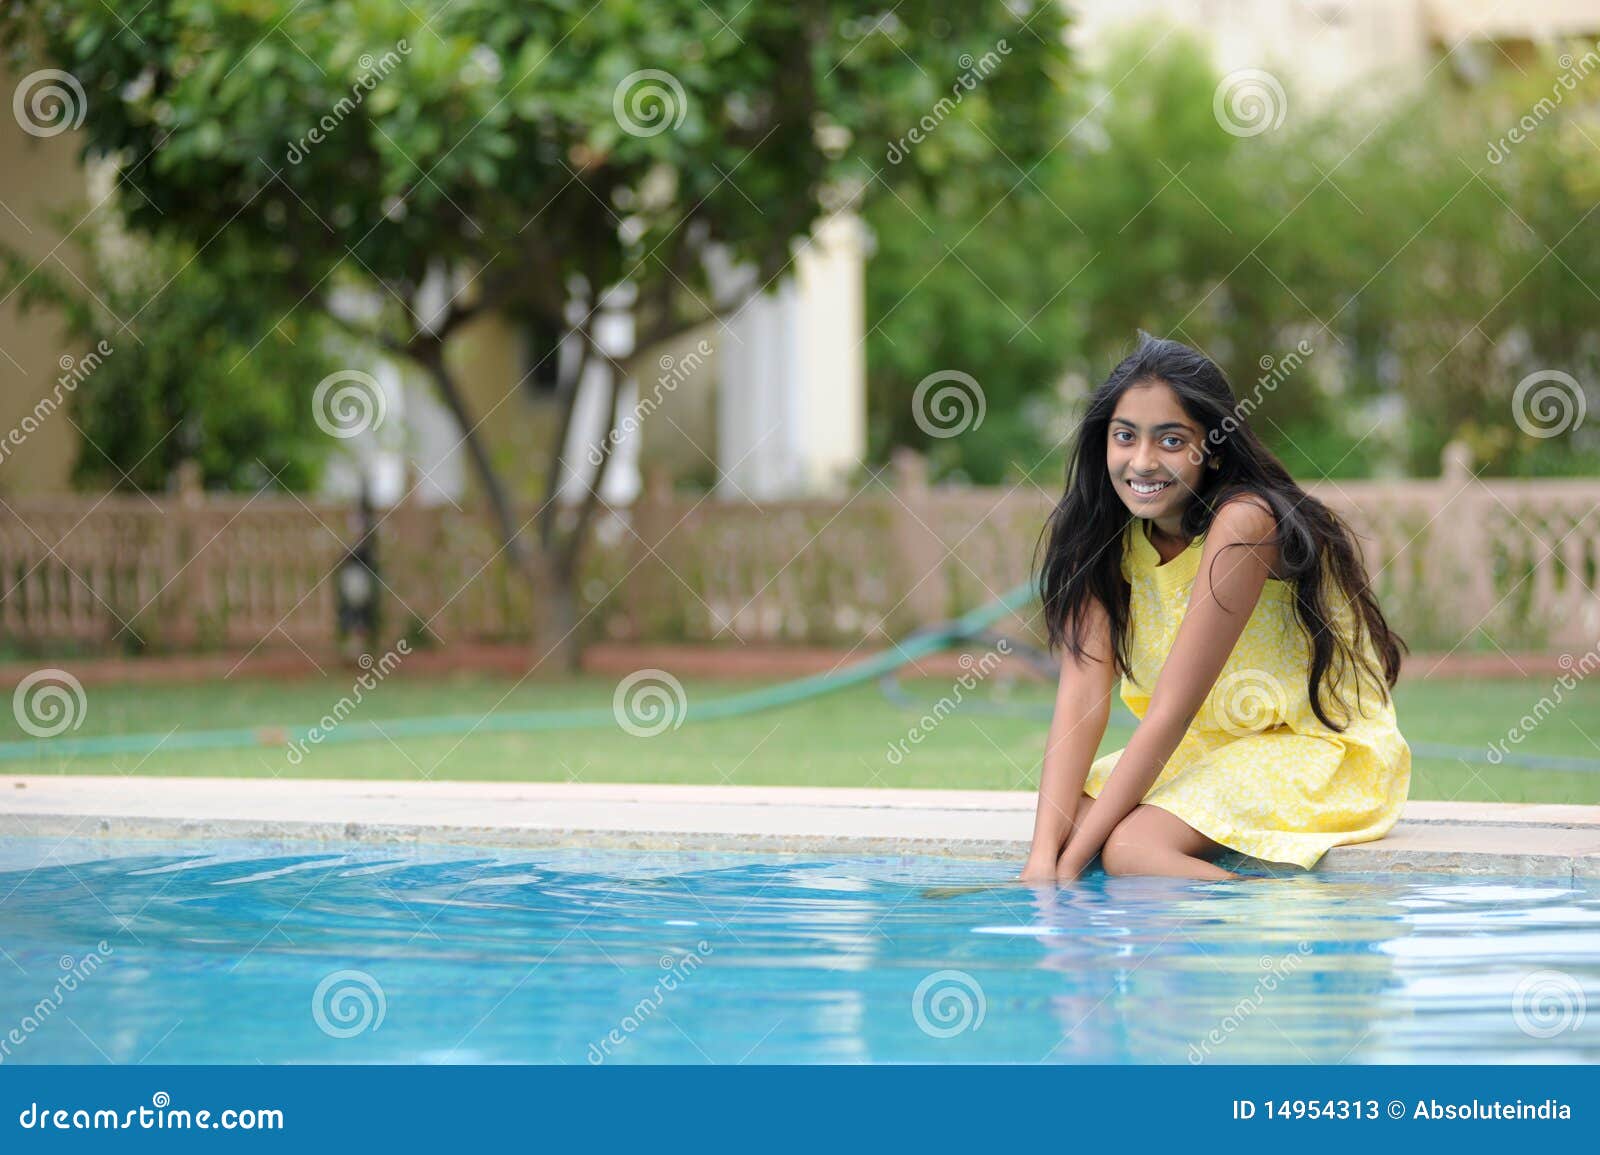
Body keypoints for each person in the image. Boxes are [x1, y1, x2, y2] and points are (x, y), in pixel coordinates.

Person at [1020, 333, 1411, 883]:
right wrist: (1043, 861)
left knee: (1130, 851)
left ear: (1214, 448)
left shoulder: (1243, 525)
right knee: (1071, 827)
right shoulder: (1102, 536)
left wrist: (1070, 865)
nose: (1143, 462)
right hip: (1207, 750)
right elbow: (1082, 697)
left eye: (1171, 441)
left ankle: (1285, 916)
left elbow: (1171, 711)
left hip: (1314, 749)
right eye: (1125, 437)